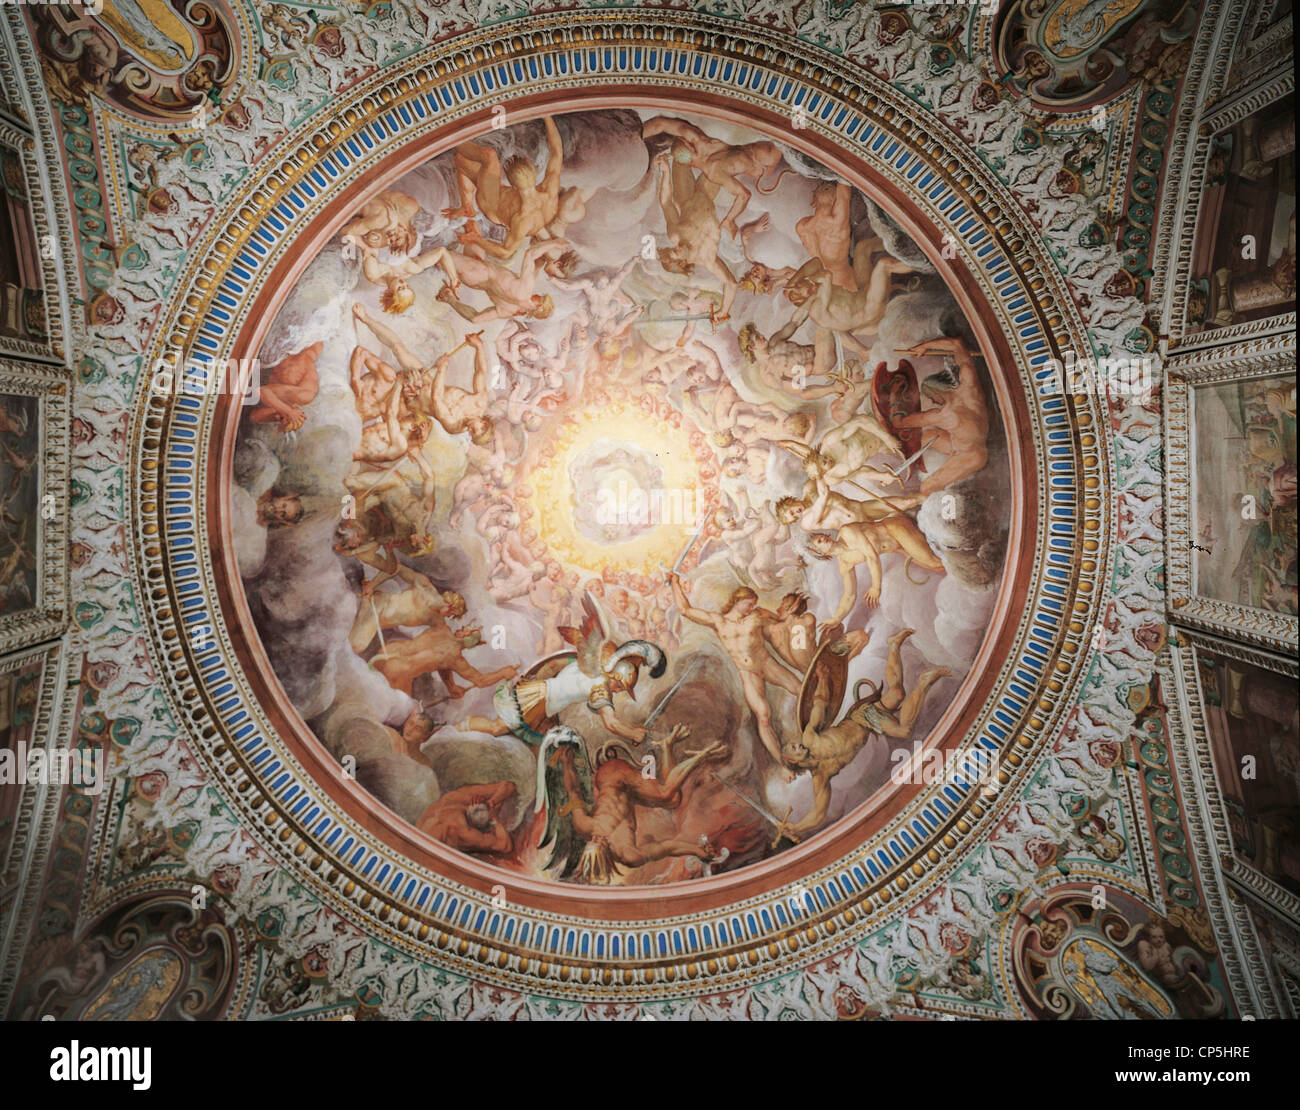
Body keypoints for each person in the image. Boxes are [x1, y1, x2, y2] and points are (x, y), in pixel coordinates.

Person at [781, 629, 950, 837]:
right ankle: (894, 646)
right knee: (897, 695)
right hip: (867, 725)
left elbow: (820, 704)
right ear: (793, 760)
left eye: (793, 744)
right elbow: (818, 814)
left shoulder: (810, 737)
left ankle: (924, 681)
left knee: (903, 728)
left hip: (861, 717)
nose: (797, 744)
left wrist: (823, 679)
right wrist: (795, 828)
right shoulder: (821, 777)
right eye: (793, 748)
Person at [668, 574, 802, 776]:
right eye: (749, 603)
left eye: (753, 604)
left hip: (766, 664)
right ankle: (783, 764)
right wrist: (675, 583)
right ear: (738, 600)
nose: (751, 608)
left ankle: (814, 729)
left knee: (799, 688)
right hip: (747, 673)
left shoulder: (756, 616)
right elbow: (685, 610)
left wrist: (794, 608)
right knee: (763, 717)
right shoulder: (718, 621)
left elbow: (783, 618)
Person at [893, 336, 990, 494]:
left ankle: (943, 489)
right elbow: (956, 344)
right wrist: (925, 346)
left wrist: (895, 396)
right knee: (925, 436)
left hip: (969, 455)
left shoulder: (945, 415)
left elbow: (900, 423)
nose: (932, 401)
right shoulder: (969, 383)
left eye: (931, 397)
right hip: (967, 442)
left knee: (926, 488)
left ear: (936, 392)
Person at [807, 518, 945, 627]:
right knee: (938, 568)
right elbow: (849, 595)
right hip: (897, 547)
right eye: (819, 541)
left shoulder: (847, 532)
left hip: (895, 528)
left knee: (935, 562)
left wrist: (875, 587)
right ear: (819, 552)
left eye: (822, 536)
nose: (824, 538)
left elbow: (871, 556)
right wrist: (836, 618)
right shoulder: (845, 564)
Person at [417, 781, 517, 854]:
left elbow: (509, 786)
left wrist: (492, 801)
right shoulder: (464, 833)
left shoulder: (454, 798)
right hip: (425, 849)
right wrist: (494, 818)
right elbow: (505, 846)